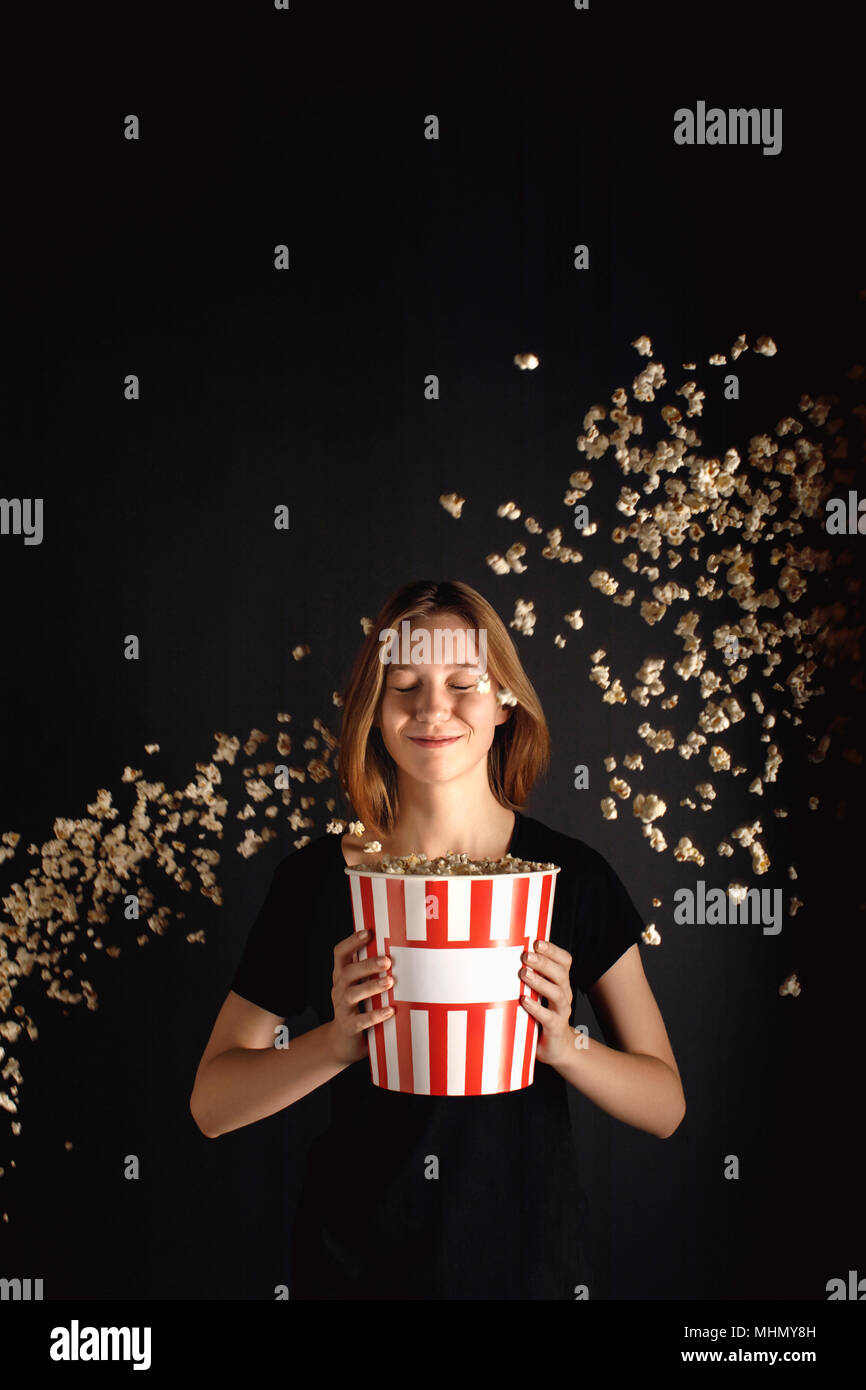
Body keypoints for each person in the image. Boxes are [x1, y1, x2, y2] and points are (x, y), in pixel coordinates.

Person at [190, 578, 685, 1299]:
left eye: (463, 684)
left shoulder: (570, 878)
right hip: (353, 1274)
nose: (432, 709)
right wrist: (331, 1044)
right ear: (374, 708)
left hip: (528, 1267)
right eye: (405, 686)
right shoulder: (316, 881)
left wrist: (563, 1044)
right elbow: (212, 1103)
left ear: (505, 701)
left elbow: (665, 1104)